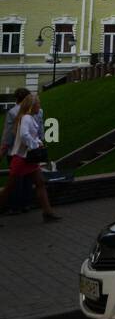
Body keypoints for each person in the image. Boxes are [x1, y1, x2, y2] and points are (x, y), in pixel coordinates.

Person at [0, 94, 60, 224]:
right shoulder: (26, 118)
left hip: (28, 160)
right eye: (38, 104)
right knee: (9, 188)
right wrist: (35, 144)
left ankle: (47, 212)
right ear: (32, 106)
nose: (40, 106)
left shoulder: (30, 117)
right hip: (22, 159)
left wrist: (37, 141)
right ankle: (47, 213)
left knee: (40, 184)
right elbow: (24, 135)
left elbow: (31, 135)